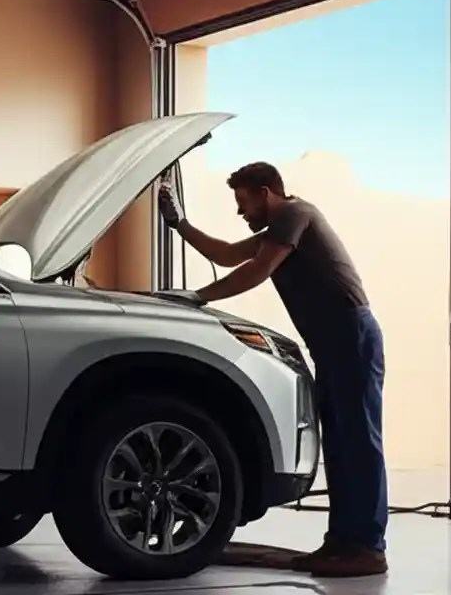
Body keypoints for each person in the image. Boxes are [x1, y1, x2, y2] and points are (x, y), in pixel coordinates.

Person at [158, 162, 388, 578]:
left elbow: (257, 271)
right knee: (339, 440)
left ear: (266, 193)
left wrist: (198, 297)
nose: (241, 213)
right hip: (333, 343)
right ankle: (343, 540)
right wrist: (180, 224)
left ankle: (368, 545)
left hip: (351, 334)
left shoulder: (297, 215)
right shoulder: (279, 228)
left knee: (360, 440)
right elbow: (227, 254)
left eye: (243, 202)